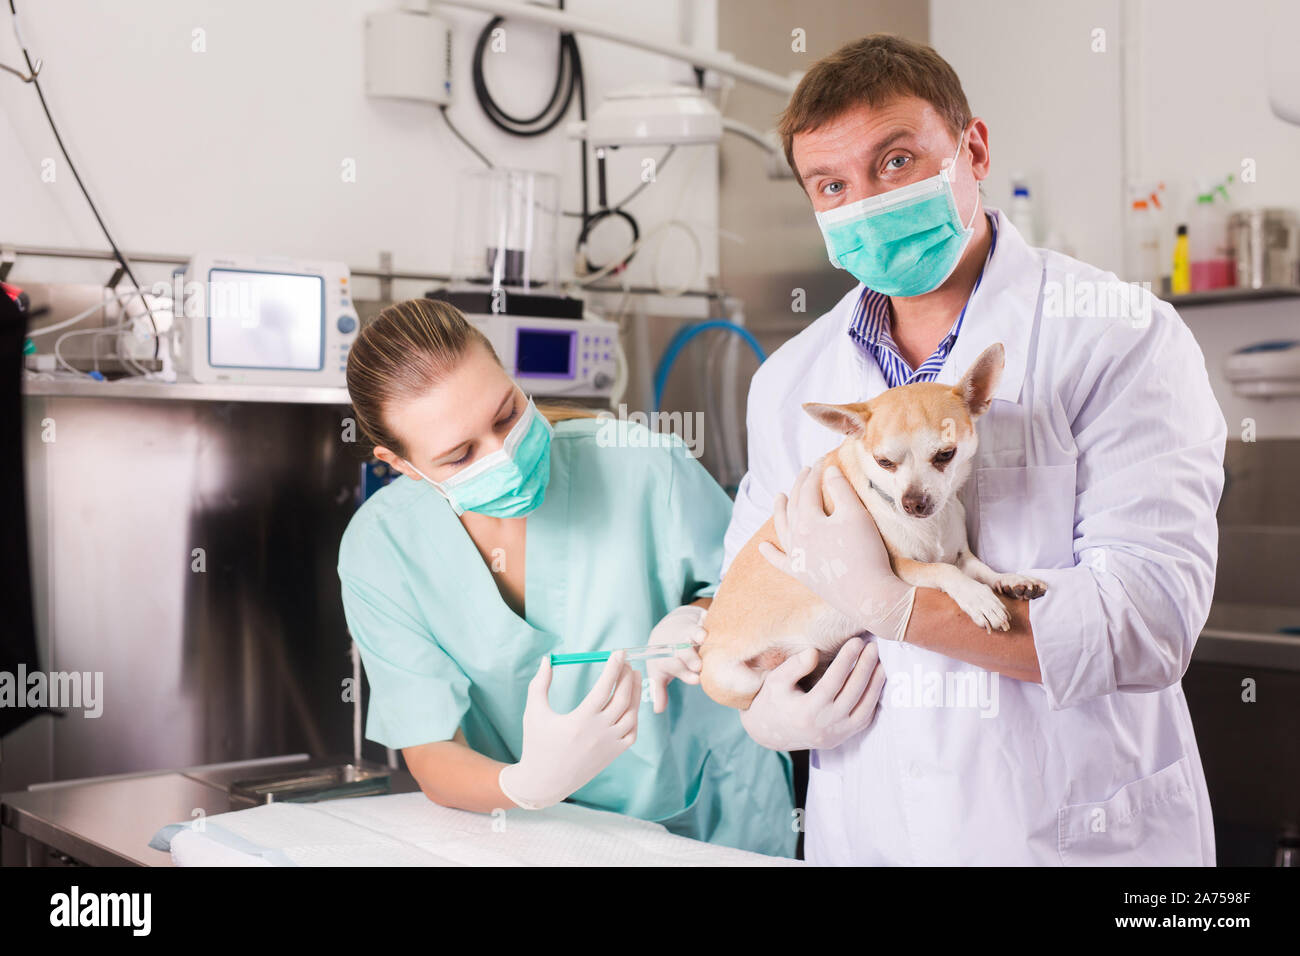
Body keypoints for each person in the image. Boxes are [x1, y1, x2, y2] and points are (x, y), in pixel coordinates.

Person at [723, 34, 1226, 865]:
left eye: (894, 162)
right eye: (832, 185)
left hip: (1068, 829)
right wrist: (766, 704)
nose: (866, 202)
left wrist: (901, 605)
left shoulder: (1116, 333)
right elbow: (759, 579)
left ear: (973, 148)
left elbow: (1150, 620)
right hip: (870, 825)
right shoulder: (789, 381)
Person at [336, 297, 795, 857]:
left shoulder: (644, 467)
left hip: (712, 816)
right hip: (539, 836)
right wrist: (526, 785)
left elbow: (764, 585)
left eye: (505, 414)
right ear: (401, 464)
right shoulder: (382, 549)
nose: (503, 454)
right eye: (460, 456)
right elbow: (432, 752)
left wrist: (698, 617)